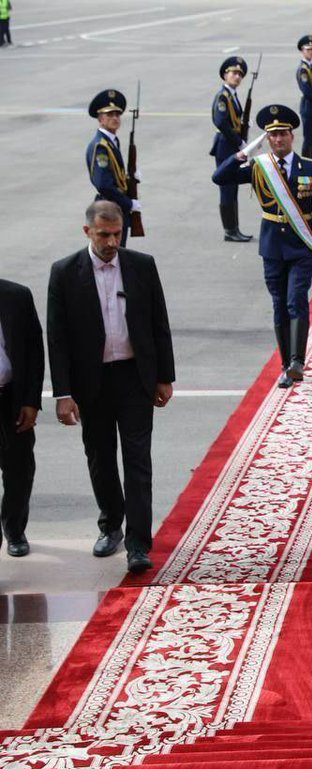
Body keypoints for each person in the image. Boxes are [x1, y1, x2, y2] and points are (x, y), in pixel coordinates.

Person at [48, 201, 175, 574]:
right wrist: (63, 394)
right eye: (104, 234)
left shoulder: (141, 267)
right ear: (87, 231)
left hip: (135, 378)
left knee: (138, 462)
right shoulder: (65, 273)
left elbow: (159, 322)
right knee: (101, 458)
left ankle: (138, 542)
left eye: (117, 233)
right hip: (93, 384)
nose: (112, 241)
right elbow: (57, 339)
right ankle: (111, 526)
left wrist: (164, 376)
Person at [212, 105, 312, 390]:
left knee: (296, 299)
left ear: (292, 135)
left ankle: (297, 361)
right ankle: (285, 365)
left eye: (282, 134)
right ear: (267, 139)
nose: (278, 140)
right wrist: (241, 155)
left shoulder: (311, 169)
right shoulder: (259, 167)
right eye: (272, 135)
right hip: (272, 248)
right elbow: (219, 178)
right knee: (279, 304)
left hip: (301, 246)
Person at [0, 277, 43, 559]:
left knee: (19, 468)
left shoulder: (17, 296)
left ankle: (14, 529)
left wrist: (30, 401)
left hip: (10, 399)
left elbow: (34, 352)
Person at [85, 90, 139, 247]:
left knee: (118, 252)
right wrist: (129, 203)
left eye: (117, 114)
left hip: (115, 205)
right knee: (111, 252)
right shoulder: (101, 146)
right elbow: (103, 184)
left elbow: (114, 174)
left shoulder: (111, 141)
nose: (115, 118)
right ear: (100, 119)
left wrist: (130, 177)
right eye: (110, 115)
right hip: (109, 208)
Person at [210, 56, 253, 244]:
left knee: (233, 188)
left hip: (231, 146)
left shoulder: (232, 96)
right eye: (233, 73)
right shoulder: (223, 97)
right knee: (227, 188)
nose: (237, 77)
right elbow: (220, 122)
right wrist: (239, 142)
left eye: (240, 74)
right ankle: (229, 230)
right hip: (226, 147)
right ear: (225, 74)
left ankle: (235, 228)